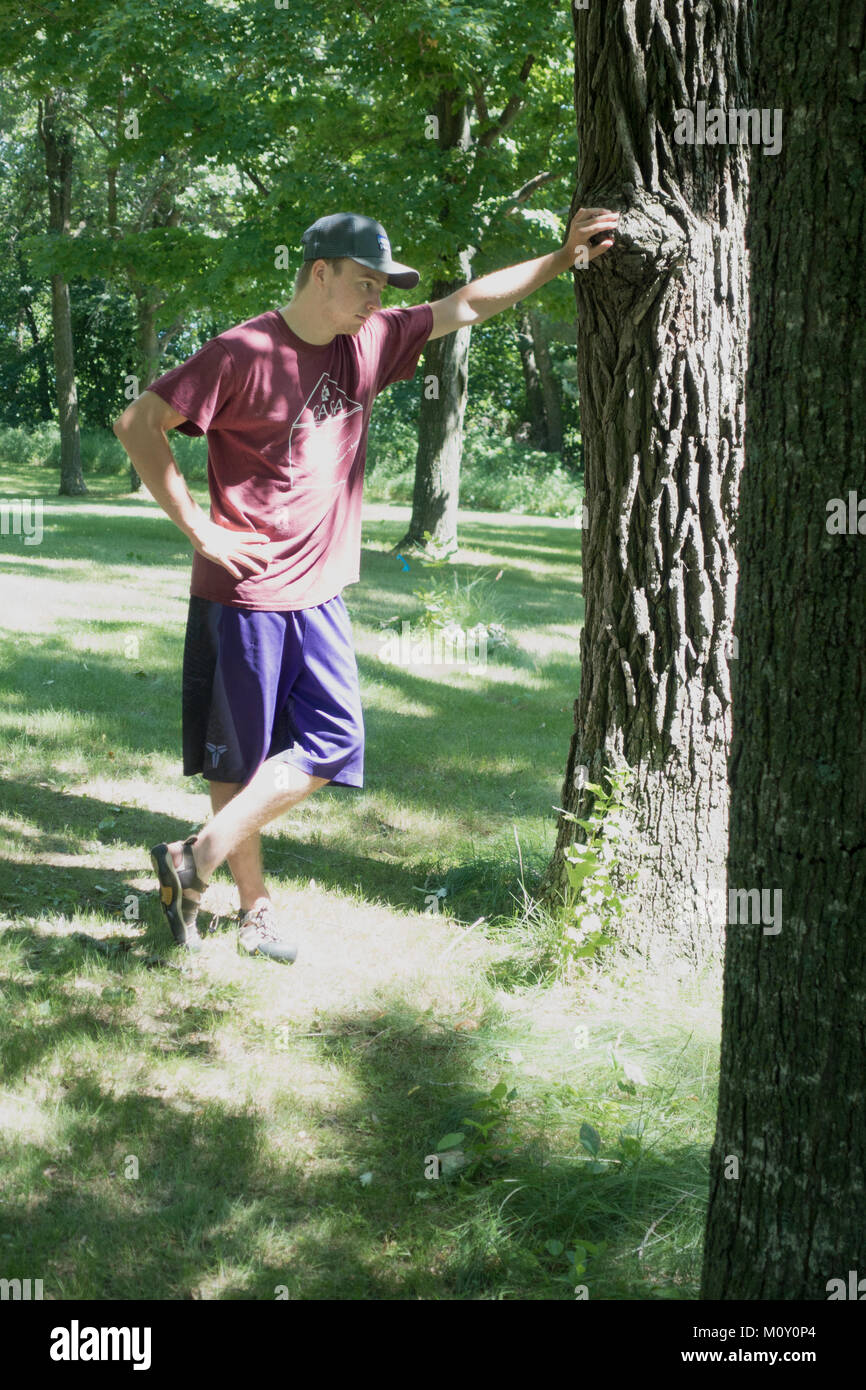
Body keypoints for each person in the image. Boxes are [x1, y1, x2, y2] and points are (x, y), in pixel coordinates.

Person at [113, 207, 619, 962]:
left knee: (334, 737)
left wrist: (561, 257)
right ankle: (254, 911)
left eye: (384, 287)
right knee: (239, 762)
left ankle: (196, 858)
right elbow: (139, 423)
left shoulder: (371, 341)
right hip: (243, 596)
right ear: (320, 273)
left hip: (318, 591)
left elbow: (469, 303)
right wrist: (200, 527)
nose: (377, 299)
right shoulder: (242, 350)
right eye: (365, 283)